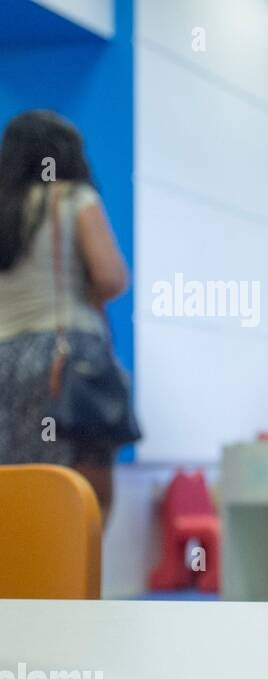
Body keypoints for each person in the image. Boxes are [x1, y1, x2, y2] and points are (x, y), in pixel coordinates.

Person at [0, 110, 130, 520]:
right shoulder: (73, 199)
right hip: (66, 361)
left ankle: (19, 577)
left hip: (6, 360)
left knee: (18, 482)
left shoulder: (5, 211)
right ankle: (70, 581)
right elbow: (111, 277)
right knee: (84, 490)